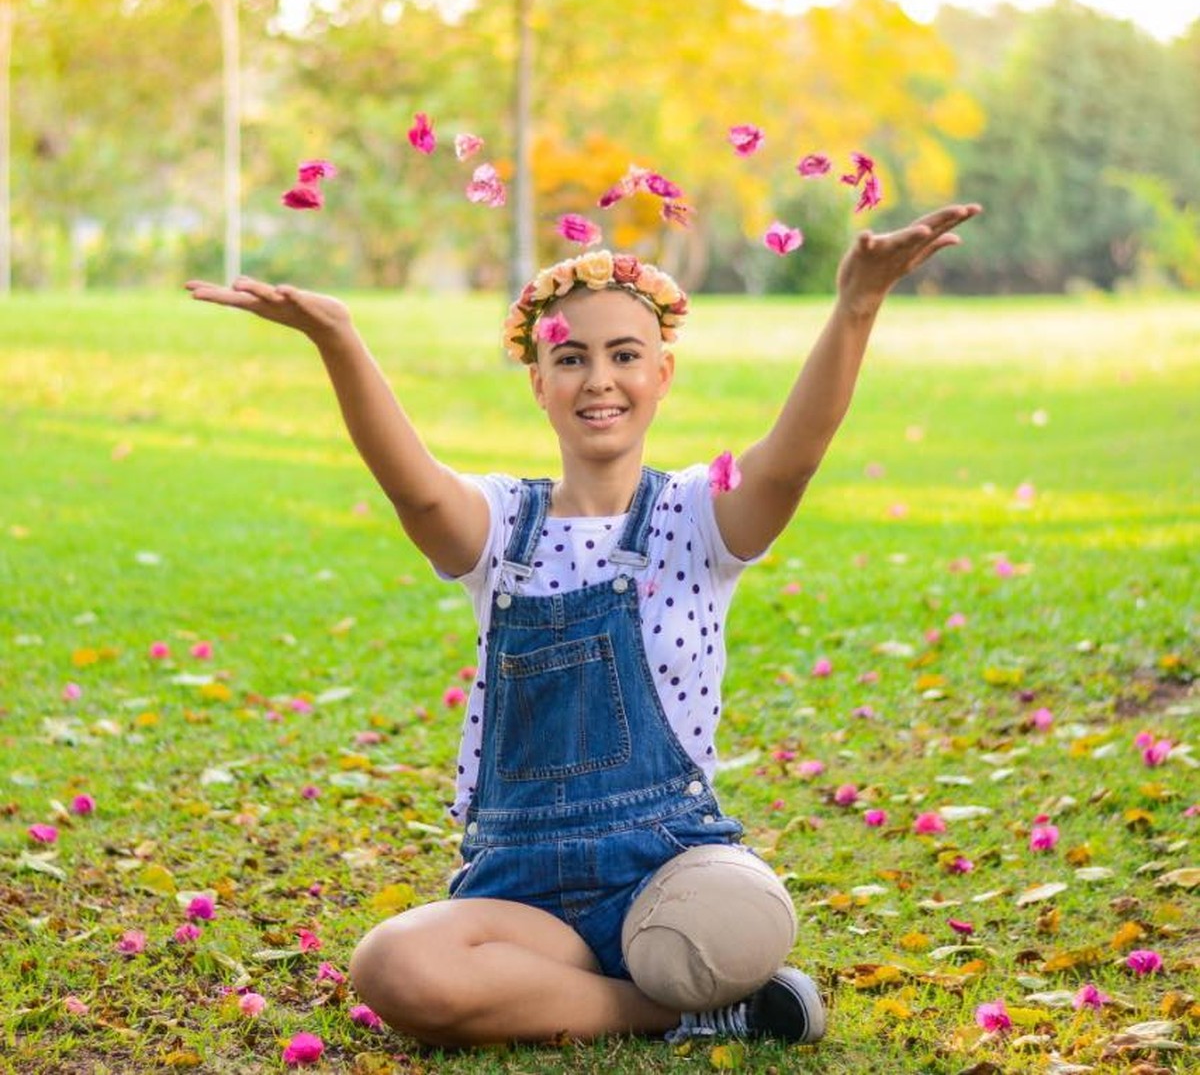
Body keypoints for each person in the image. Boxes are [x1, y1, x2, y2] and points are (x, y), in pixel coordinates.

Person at [185, 201, 980, 1048]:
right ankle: (682, 1010)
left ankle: (623, 986)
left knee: (742, 919)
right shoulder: (499, 526)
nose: (599, 378)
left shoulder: (698, 518)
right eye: (571, 357)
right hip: (521, 894)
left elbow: (792, 460)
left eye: (624, 355)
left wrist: (856, 302)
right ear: (539, 381)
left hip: (664, 872)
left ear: (662, 375)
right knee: (393, 968)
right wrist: (338, 339)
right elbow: (417, 491)